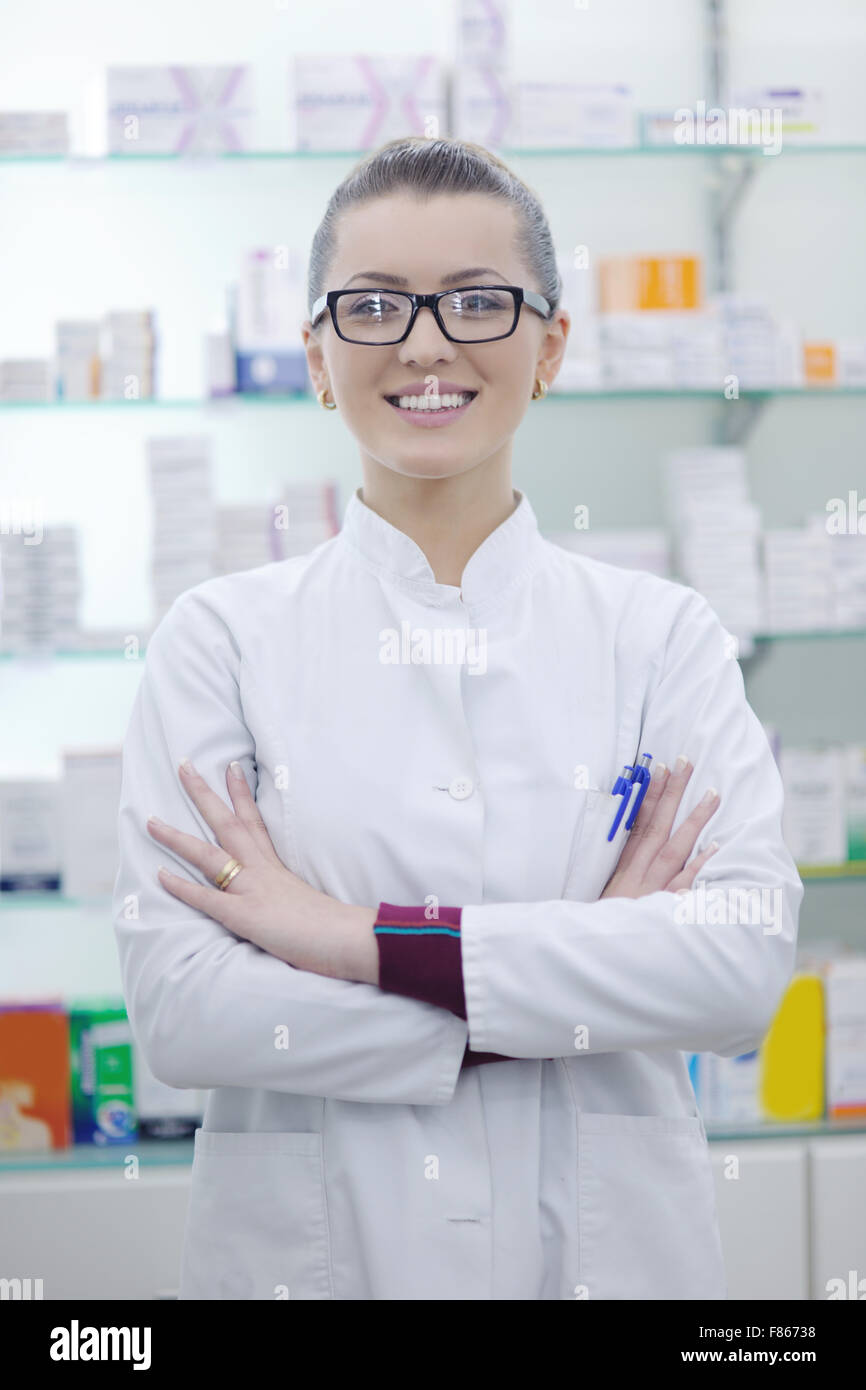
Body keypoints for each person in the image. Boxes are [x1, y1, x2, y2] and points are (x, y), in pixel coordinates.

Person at [113, 136, 802, 1301]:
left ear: (549, 348)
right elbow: (187, 1014)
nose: (425, 345)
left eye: (477, 302)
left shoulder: (661, 636)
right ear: (318, 358)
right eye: (373, 306)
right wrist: (552, 980)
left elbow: (734, 966)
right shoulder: (216, 640)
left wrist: (339, 937)